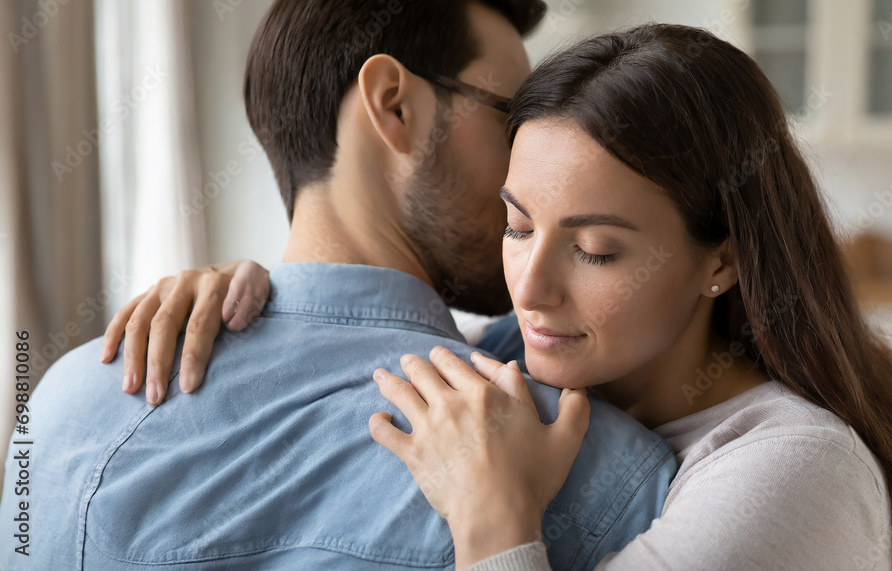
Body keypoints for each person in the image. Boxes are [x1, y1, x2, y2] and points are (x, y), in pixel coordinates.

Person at [132, 24, 892, 571]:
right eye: (516, 225)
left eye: (595, 249)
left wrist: (495, 518)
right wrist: (252, 293)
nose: (531, 287)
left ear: (721, 261)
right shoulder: (513, 355)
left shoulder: (794, 470)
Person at [0, 2, 678, 569]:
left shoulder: (57, 405)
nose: (527, 170)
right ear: (395, 105)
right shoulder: (591, 466)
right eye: (511, 121)